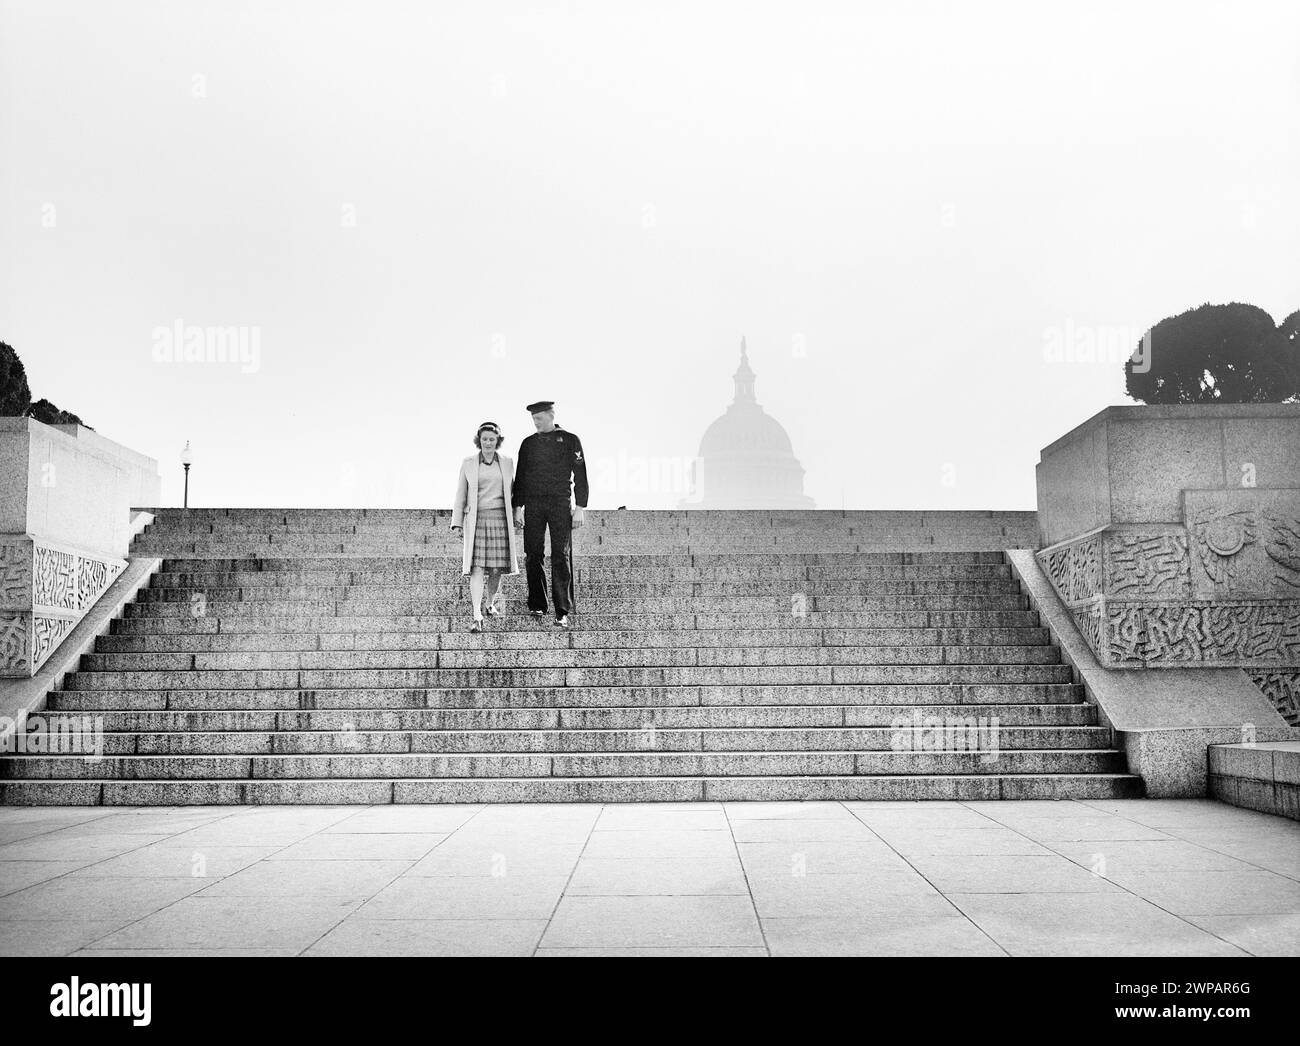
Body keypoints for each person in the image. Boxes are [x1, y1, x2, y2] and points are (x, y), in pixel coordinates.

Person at [512, 400, 588, 627]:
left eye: (540, 418)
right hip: (533, 504)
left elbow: (581, 474)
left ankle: (562, 610)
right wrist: (518, 506)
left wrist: (580, 507)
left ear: (551, 415)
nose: (536, 422)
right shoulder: (528, 444)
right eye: (533, 419)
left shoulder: (570, 439)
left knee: (560, 555)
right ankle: (537, 604)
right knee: (533, 554)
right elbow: (521, 476)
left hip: (560, 502)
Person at [450, 422, 521, 632]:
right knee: (477, 568)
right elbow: (460, 493)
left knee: (497, 569)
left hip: (500, 519)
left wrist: (518, 512)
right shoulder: (469, 463)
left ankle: (490, 602)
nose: (488, 443)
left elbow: (514, 491)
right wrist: (457, 522)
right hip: (477, 519)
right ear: (478, 441)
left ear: (497, 441)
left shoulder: (507, 462)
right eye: (484, 439)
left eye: (491, 439)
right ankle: (476, 614)